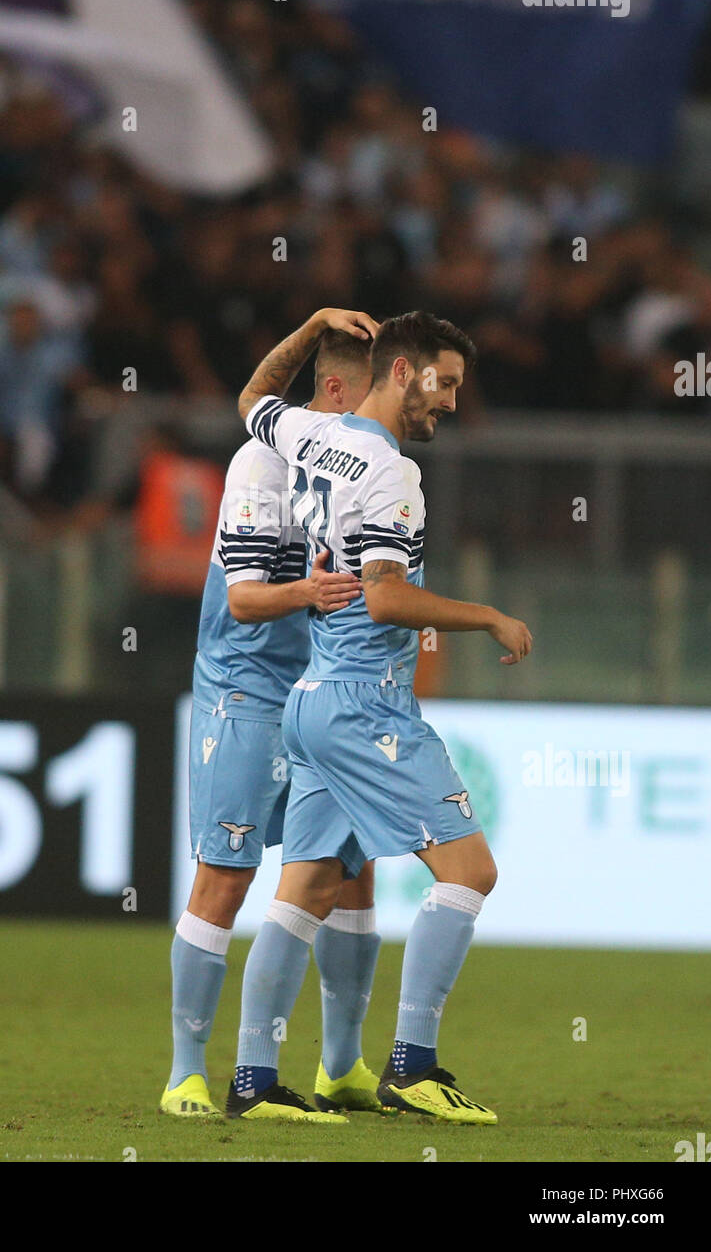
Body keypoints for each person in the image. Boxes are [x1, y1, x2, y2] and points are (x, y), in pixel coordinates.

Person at [226, 307, 532, 1123]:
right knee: (470, 872)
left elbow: (252, 397)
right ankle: (412, 1065)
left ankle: (253, 1079)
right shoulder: (393, 473)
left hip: (312, 700)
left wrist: (307, 327)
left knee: (307, 890)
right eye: (446, 383)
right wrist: (488, 616)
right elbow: (387, 598)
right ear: (402, 372)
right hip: (366, 705)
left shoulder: (310, 434)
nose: (452, 402)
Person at [162, 326, 385, 1122]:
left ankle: (341, 1066)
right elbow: (247, 600)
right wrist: (313, 593)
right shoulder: (264, 462)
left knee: (350, 871)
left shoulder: (367, 468)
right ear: (336, 393)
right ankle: (186, 1072)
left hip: (323, 691)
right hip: (246, 690)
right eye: (376, 397)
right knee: (226, 876)